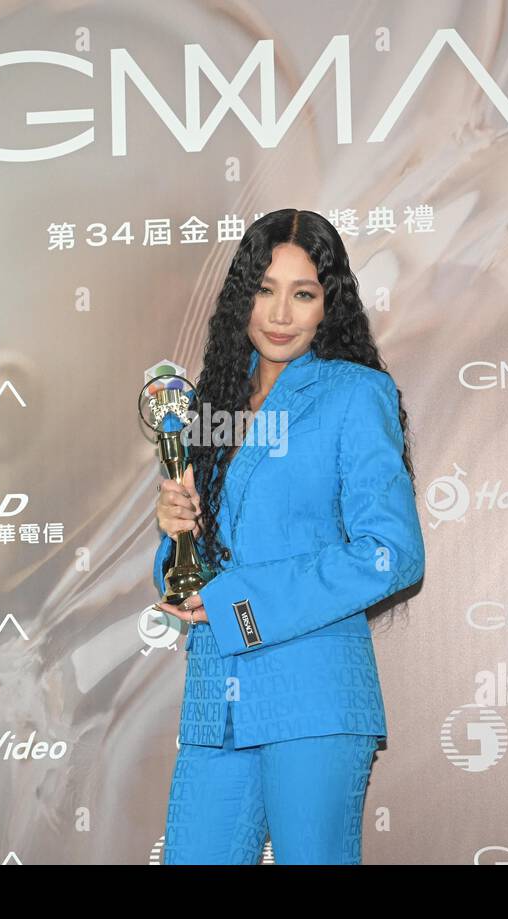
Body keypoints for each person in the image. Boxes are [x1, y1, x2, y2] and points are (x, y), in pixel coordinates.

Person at [150, 208, 425, 864]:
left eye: (302, 294)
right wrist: (172, 541)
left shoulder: (355, 394)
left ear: (328, 306)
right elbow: (193, 569)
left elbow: (391, 554)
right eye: (264, 290)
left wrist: (238, 600)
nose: (280, 313)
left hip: (314, 695)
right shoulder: (211, 406)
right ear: (240, 296)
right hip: (216, 699)